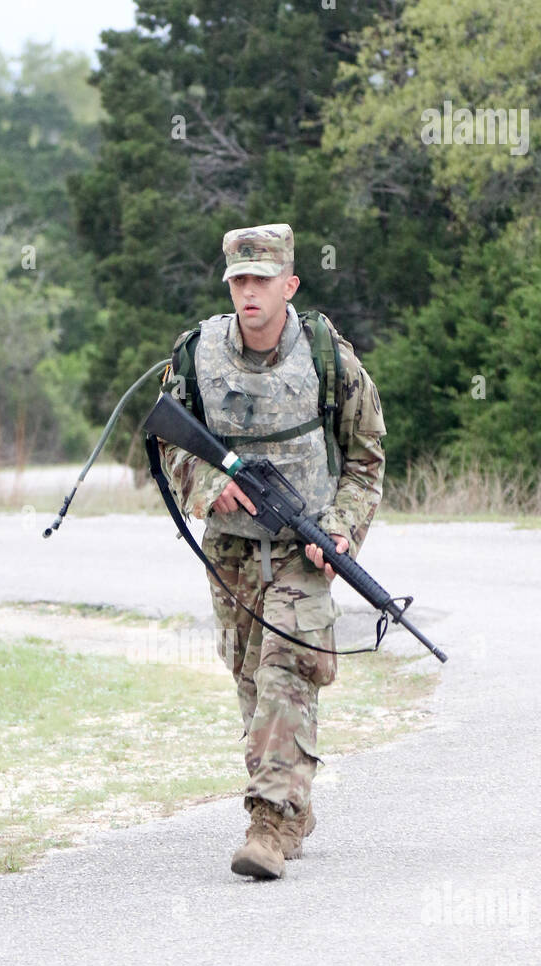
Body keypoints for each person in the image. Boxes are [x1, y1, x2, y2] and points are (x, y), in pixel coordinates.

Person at [157, 222, 387, 880]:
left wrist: (341, 528)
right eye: (239, 280)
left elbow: (366, 456)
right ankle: (291, 806)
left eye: (262, 280)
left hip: (302, 548)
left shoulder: (325, 355)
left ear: (289, 284)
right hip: (229, 554)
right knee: (254, 683)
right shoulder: (198, 354)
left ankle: (268, 821)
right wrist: (208, 484)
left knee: (288, 665)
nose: (249, 292)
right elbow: (170, 443)